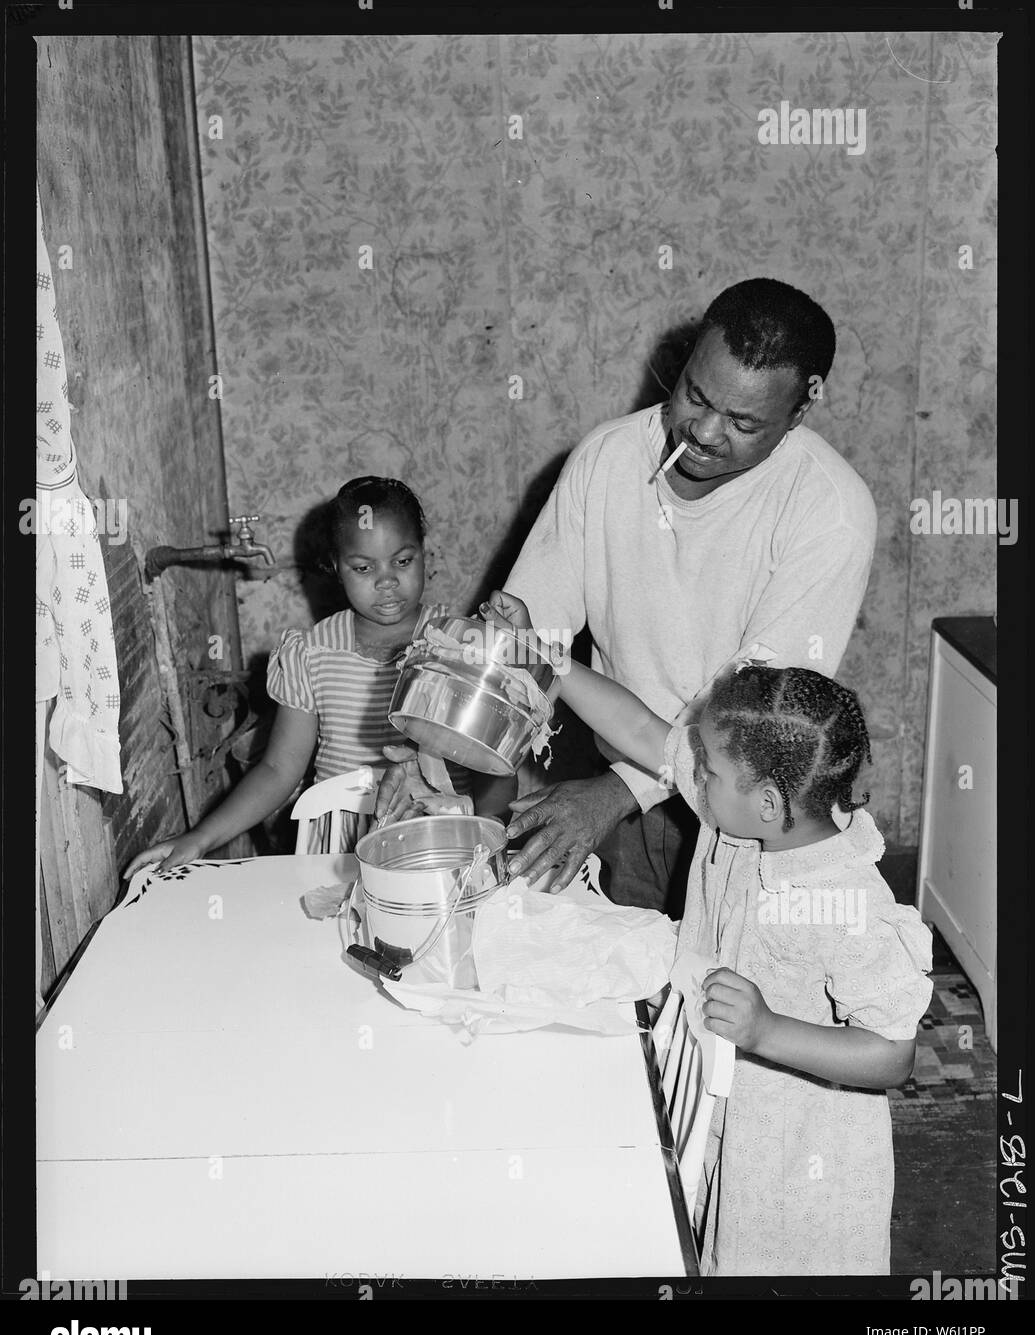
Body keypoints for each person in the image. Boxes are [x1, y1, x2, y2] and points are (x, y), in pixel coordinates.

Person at [486, 588, 933, 1276]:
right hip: (728, 1119)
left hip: (801, 1164)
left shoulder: (845, 900)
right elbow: (638, 730)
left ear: (765, 801)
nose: (690, 775)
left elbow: (892, 1054)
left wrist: (765, 1031)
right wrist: (543, 659)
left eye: (709, 769)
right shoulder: (746, 818)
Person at [494, 278, 878, 914]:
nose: (702, 431)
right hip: (629, 801)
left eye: (743, 422)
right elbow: (529, 641)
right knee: (635, 995)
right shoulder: (607, 460)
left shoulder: (829, 514)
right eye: (695, 395)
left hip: (759, 819)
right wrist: (433, 750)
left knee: (741, 997)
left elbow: (753, 732)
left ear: (800, 411)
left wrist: (615, 791)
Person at [124, 477, 507, 875]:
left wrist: (487, 836)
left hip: (441, 847)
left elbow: (495, 768)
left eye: (403, 561)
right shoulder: (312, 652)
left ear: (425, 555)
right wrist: (198, 839)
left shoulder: (460, 646)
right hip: (336, 854)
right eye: (363, 567)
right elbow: (278, 770)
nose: (387, 580)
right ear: (336, 568)